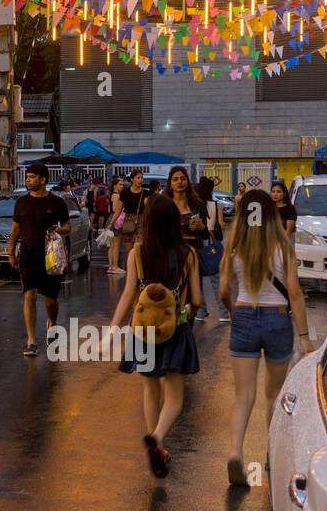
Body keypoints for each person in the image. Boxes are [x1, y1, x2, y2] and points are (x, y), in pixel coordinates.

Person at [219, 189, 311, 487]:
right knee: (273, 395)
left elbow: (223, 290)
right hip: (277, 320)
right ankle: (271, 455)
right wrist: (305, 337)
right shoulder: (283, 248)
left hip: (245, 316)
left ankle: (235, 451)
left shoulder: (234, 247)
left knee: (243, 396)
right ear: (272, 214)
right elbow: (295, 293)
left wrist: (235, 312)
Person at [109, 195, 202, 478]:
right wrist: (184, 313)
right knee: (175, 396)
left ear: (147, 222)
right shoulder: (188, 254)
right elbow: (196, 298)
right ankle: (158, 438)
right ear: (174, 222)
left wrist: (113, 328)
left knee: (151, 390)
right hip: (175, 330)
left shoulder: (137, 252)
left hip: (143, 332)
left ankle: (155, 446)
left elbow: (128, 295)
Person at [7, 163, 71, 358]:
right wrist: (11, 252)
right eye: (27, 177)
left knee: (51, 301)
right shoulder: (22, 202)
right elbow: (15, 229)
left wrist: (60, 230)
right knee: (29, 295)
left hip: (50, 257)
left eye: (32, 177)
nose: (28, 179)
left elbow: (68, 226)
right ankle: (31, 340)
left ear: (43, 180)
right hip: (28, 255)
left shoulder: (57, 202)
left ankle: (52, 322)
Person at [194, 176, 227, 321]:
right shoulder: (216, 205)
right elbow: (222, 226)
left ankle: (201, 311)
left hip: (197, 243)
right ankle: (224, 313)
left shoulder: (194, 205)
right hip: (212, 244)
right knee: (216, 279)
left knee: (197, 278)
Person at [109, 170, 147, 275]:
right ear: (132, 179)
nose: (140, 180)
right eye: (138, 177)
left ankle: (140, 273)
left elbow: (150, 208)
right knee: (129, 250)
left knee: (138, 247)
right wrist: (111, 223)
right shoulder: (125, 192)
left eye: (141, 177)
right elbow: (118, 209)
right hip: (128, 221)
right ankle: (132, 273)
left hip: (141, 220)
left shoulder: (145, 193)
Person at [167, 166, 208, 254]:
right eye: (175, 179)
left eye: (183, 179)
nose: (179, 182)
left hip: (194, 253)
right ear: (170, 184)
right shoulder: (164, 205)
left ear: (187, 182)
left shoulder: (197, 204)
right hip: (170, 253)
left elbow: (205, 236)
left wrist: (202, 227)